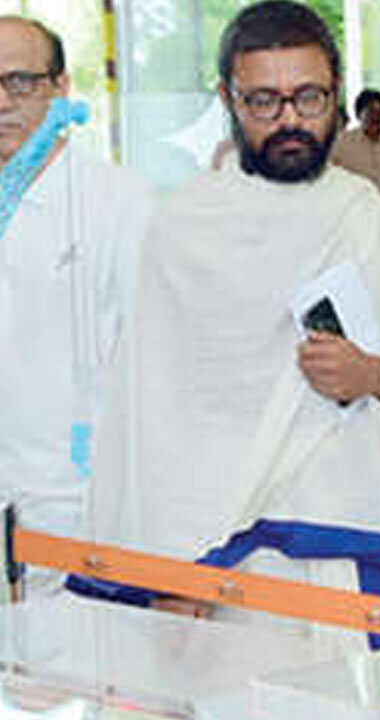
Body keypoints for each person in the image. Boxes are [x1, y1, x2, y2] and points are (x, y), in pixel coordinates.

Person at [74, 1, 380, 650]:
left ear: (336, 93)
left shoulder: (377, 225)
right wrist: (168, 565)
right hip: (216, 561)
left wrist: (376, 375)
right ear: (227, 98)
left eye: (309, 98)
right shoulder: (180, 228)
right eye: (263, 101)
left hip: (348, 538)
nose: (289, 120)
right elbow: (151, 415)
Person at [0, 16, 153, 594]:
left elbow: (152, 366)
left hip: (76, 511)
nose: (2, 102)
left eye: (20, 82)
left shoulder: (119, 202)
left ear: (61, 88)